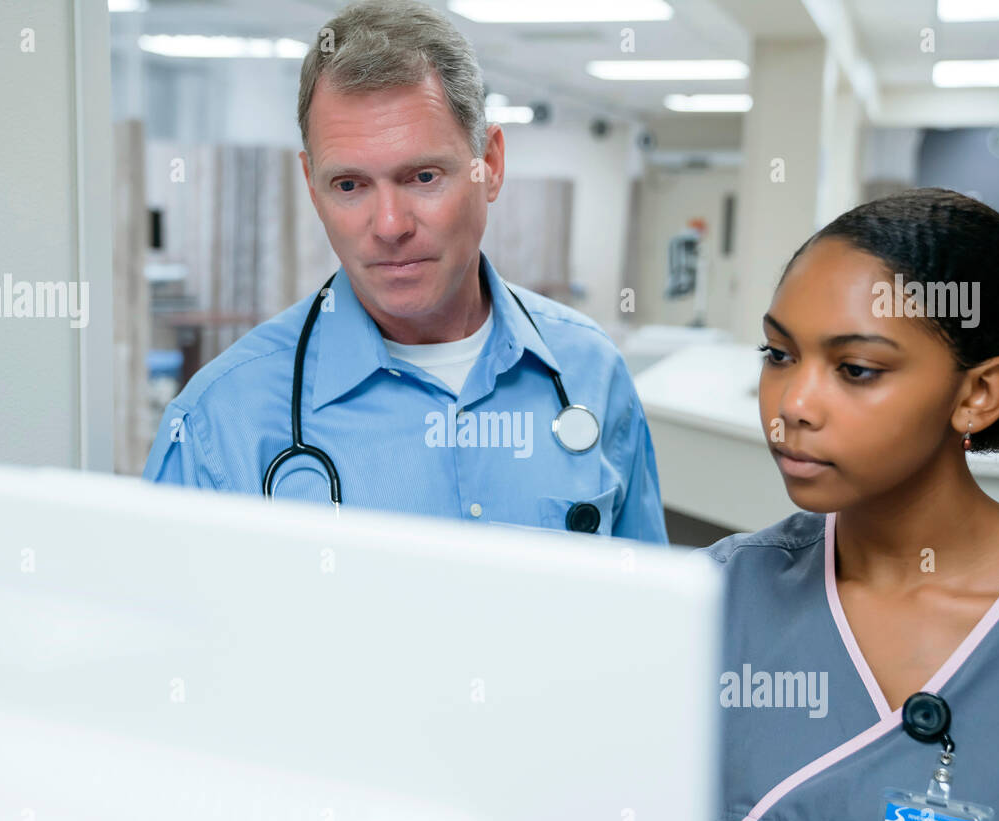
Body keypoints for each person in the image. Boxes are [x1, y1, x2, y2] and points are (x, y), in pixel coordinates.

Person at [702, 188, 999, 821]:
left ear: (978, 393)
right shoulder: (710, 600)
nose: (793, 405)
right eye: (778, 353)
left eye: (856, 369)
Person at [143, 0, 666, 542]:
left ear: (490, 165)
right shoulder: (221, 420)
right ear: (312, 187)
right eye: (349, 185)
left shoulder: (591, 373)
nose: (389, 226)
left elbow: (650, 614)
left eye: (421, 176)